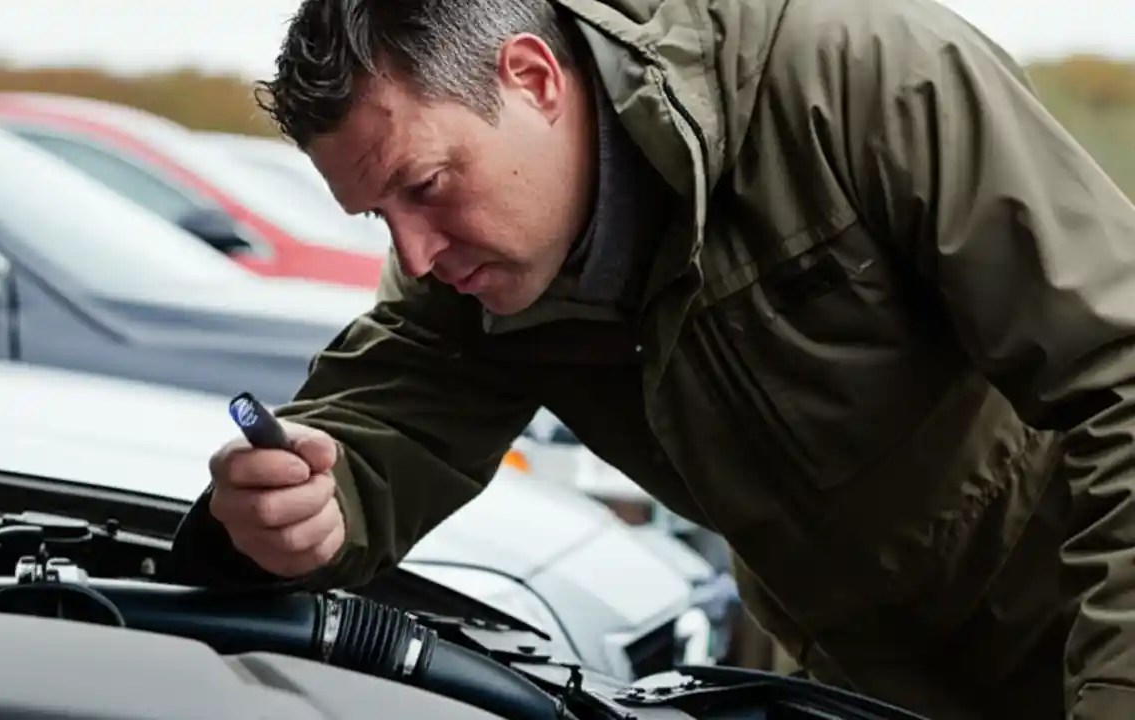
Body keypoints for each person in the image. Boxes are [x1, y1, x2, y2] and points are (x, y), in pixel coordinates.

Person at [168, 0, 1135, 716]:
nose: (414, 253)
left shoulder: (855, 78)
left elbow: (1121, 379)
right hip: (858, 684)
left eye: (425, 184)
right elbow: (363, 442)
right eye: (381, 216)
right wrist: (289, 512)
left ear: (534, 78)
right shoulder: (473, 273)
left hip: (1087, 633)